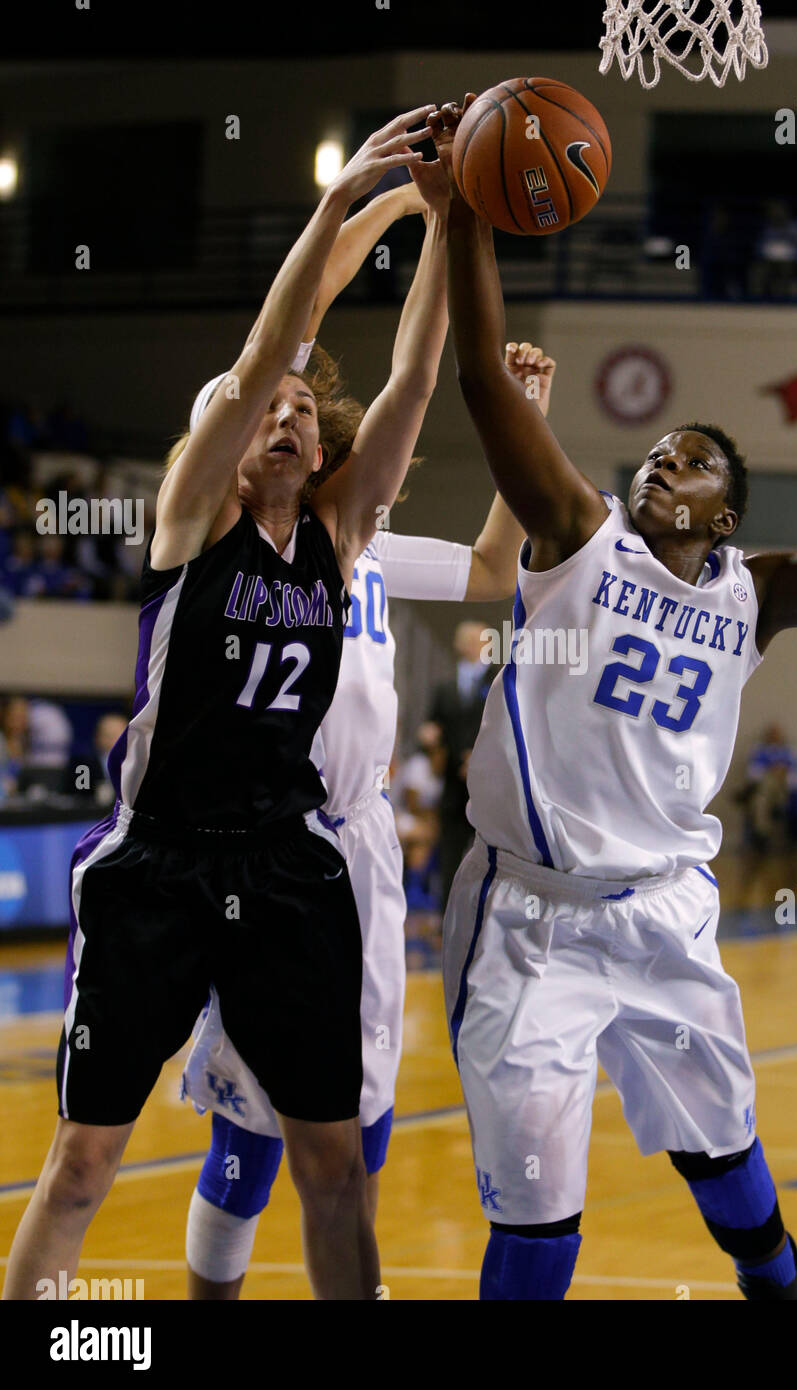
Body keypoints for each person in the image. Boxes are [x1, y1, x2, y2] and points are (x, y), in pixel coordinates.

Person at [431, 93, 797, 1302]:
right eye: (655, 452)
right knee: (539, 1220)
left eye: (686, 461)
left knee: (730, 1166)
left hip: (669, 909)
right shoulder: (577, 537)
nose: (657, 463)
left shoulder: (755, 591)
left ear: (722, 515)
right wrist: (470, 214)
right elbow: (482, 381)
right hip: (532, 920)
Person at [1, 103, 442, 1303]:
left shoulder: (342, 539)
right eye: (269, 410)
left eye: (306, 409)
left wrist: (455, 227)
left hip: (289, 869)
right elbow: (266, 357)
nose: (291, 412)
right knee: (85, 1158)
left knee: (335, 1164)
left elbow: (408, 381)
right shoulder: (193, 526)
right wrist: (341, 198)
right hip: (159, 865)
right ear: (229, 437)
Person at [179, 334, 553, 1298]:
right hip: (263, 844)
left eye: (307, 422)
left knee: (366, 1095)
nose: (291, 432)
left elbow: (488, 569)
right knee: (250, 1126)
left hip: (364, 843)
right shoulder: (230, 548)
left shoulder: (369, 546)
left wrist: (528, 426)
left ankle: (355, 1282)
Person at [428, 620, 499, 906]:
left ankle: (485, 913)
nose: (472, 645)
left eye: (478, 639)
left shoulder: (499, 681)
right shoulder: (444, 688)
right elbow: (433, 727)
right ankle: (445, 918)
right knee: (450, 852)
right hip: (452, 785)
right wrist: (432, 741)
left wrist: (480, 757)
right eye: (467, 640)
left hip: (486, 784)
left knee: (490, 854)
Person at [738, 723, 797, 854]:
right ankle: (762, 835)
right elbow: (752, 774)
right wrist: (771, 770)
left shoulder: (790, 754)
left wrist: (782, 773)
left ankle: (778, 806)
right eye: (772, 734)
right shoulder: (759, 752)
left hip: (785, 791)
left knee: (771, 788)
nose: (774, 737)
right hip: (764, 790)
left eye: (777, 734)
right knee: (759, 801)